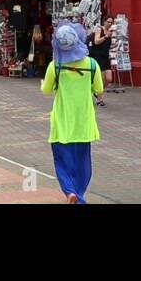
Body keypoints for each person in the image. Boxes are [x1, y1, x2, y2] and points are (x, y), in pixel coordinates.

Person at [41, 23, 104, 205]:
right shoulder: (92, 65)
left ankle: (71, 193)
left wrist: (45, 83)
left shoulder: (56, 66)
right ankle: (78, 192)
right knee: (83, 164)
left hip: (63, 123)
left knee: (62, 162)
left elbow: (46, 90)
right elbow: (99, 89)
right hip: (84, 123)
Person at [89, 18, 115, 103]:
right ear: (104, 22)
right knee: (101, 77)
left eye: (111, 22)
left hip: (106, 57)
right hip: (98, 56)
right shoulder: (99, 30)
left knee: (109, 78)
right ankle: (99, 98)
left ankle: (97, 91)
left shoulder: (111, 32)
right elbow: (96, 42)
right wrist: (106, 36)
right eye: (108, 22)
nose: (110, 24)